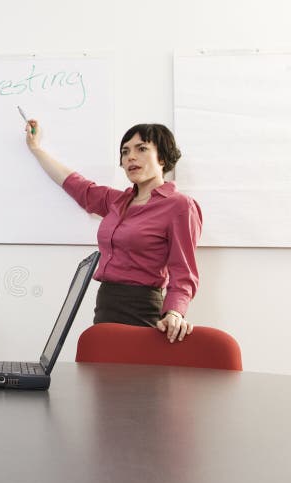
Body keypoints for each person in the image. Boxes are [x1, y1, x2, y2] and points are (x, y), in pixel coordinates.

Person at [24, 120, 202, 343]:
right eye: (125, 151)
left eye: (142, 149)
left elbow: (184, 273)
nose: (130, 157)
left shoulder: (179, 206)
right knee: (102, 375)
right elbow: (76, 184)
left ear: (163, 158)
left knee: (137, 378)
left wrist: (174, 312)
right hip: (106, 306)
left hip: (142, 311)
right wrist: (36, 149)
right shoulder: (117, 201)